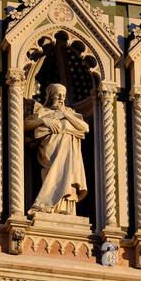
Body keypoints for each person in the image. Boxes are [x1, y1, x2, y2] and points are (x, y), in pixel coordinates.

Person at [26, 83, 89, 215]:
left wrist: (65, 114)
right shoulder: (42, 111)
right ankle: (45, 205)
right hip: (50, 150)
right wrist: (43, 121)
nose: (61, 98)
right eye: (58, 94)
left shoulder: (70, 112)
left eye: (63, 95)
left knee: (66, 174)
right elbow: (25, 125)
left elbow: (85, 128)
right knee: (52, 173)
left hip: (69, 153)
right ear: (50, 96)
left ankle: (63, 208)